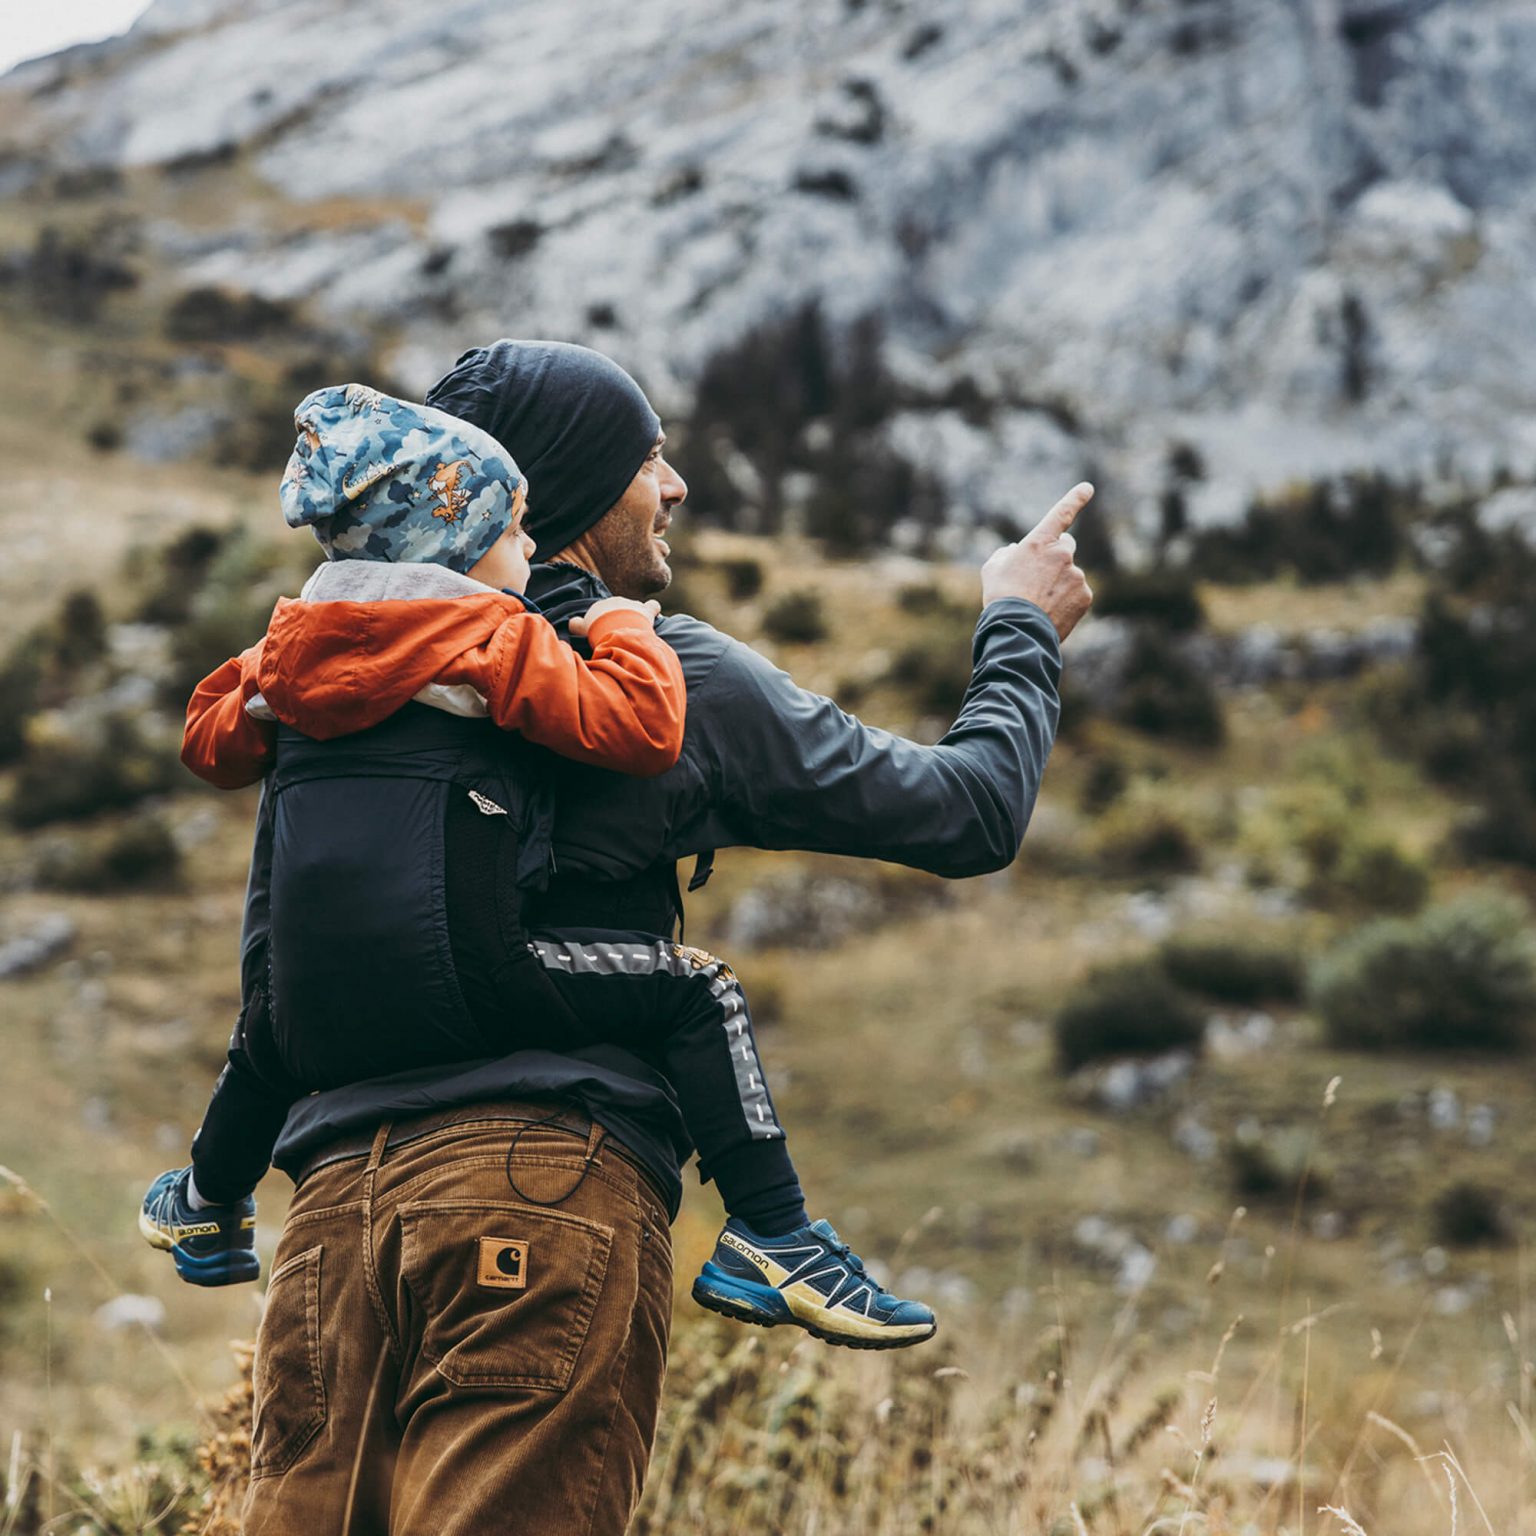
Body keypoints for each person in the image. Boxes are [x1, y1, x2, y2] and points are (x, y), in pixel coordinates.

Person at [236, 341, 1092, 1536]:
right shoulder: (659, 675)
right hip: (537, 1192)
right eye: (650, 458)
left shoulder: (335, 690)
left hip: (329, 1222)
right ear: (574, 490)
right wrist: (1019, 627)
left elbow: (272, 974)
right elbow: (971, 812)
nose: (676, 485)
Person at [141, 381, 939, 1350]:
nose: (531, 552)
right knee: (701, 997)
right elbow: (638, 727)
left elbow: (208, 739)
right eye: (516, 531)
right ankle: (773, 1236)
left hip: (312, 1017)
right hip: (474, 972)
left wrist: (257, 676)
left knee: (259, 1035)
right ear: (457, 543)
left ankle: (204, 1202)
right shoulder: (486, 637)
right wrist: (621, 626)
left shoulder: (287, 658)